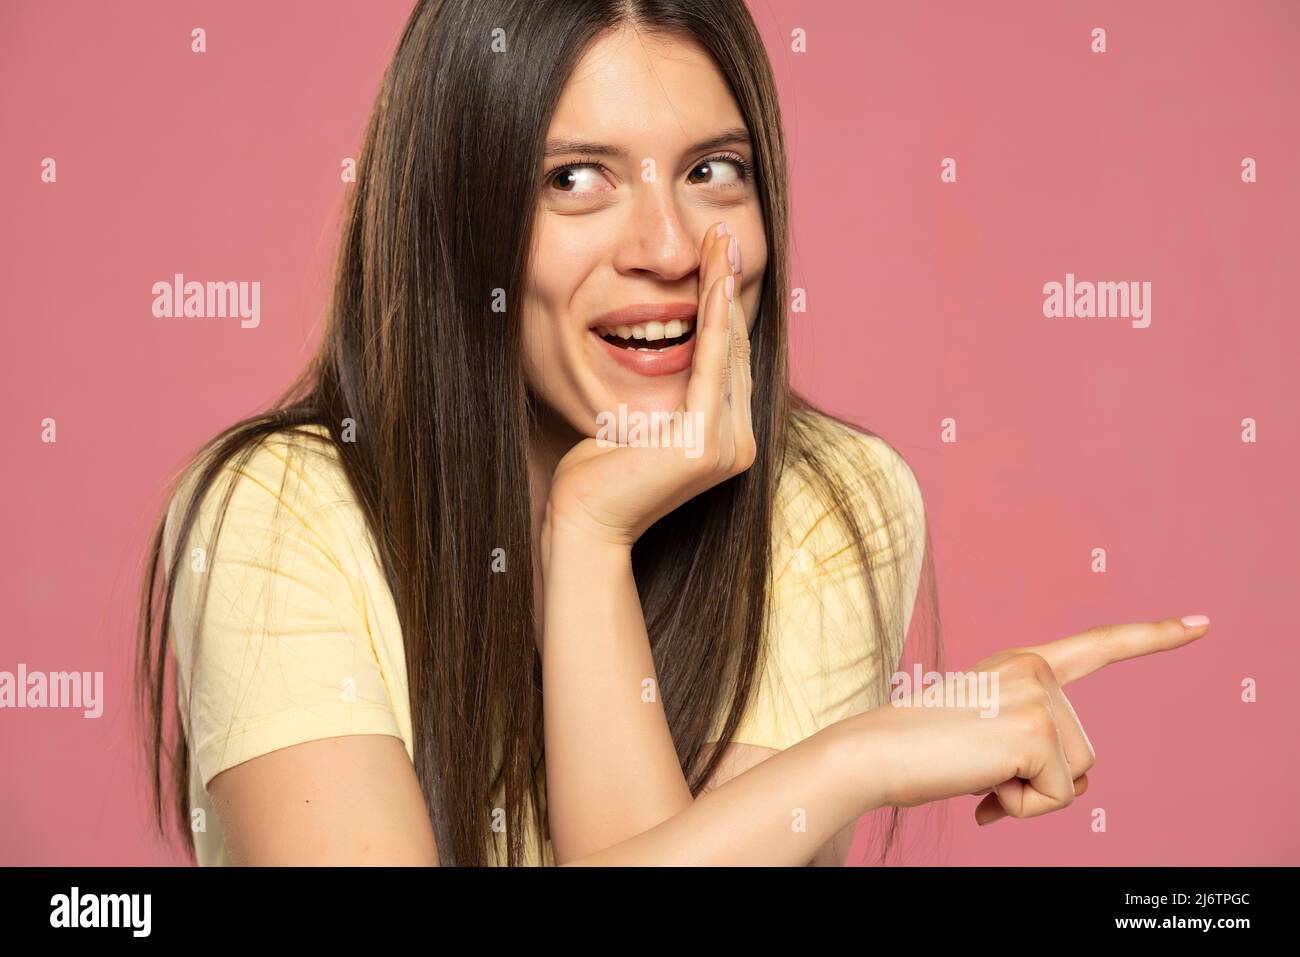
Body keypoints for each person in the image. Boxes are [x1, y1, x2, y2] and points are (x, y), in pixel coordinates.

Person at [135, 0, 1209, 867]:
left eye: (710, 171)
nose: (665, 243)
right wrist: (857, 761)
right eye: (574, 178)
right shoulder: (277, 514)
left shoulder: (829, 503)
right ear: (454, 220)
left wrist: (588, 542)